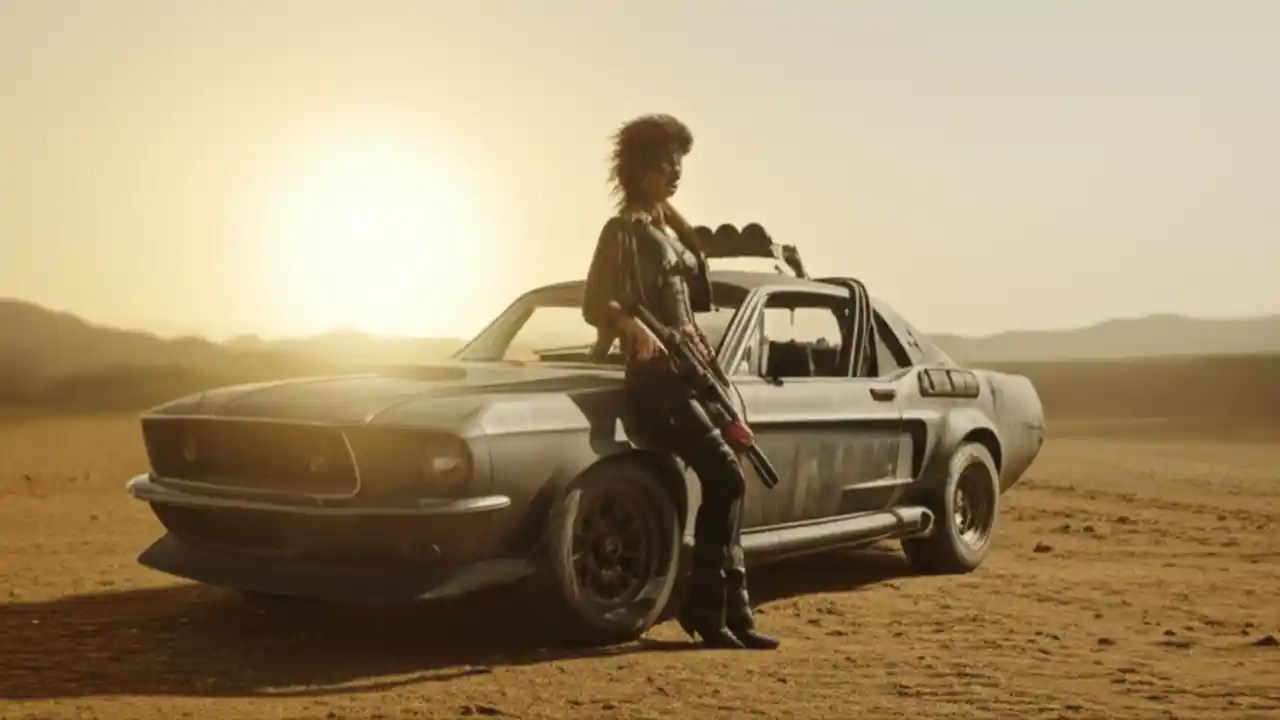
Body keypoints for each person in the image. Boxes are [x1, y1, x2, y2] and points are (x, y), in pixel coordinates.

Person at [581, 114, 779, 650]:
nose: (675, 172)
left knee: (733, 474)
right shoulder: (622, 230)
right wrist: (629, 327)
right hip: (656, 383)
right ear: (640, 166)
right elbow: (595, 302)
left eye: (680, 163)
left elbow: (682, 301)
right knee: (726, 477)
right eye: (666, 162)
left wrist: (696, 338)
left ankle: (734, 613)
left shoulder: (666, 228)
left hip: (694, 372)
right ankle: (704, 610)